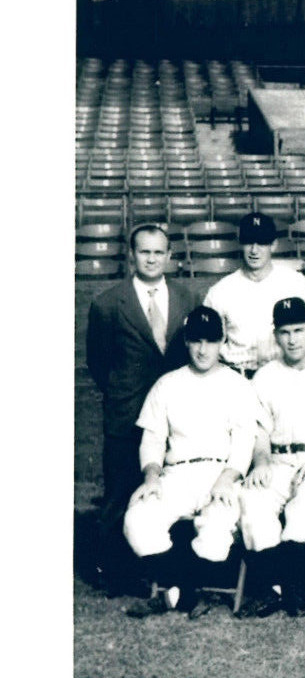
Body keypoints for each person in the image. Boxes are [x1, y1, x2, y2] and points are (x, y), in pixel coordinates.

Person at [201, 296, 305, 618]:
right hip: (279, 461)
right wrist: (263, 460)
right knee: (253, 502)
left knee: (303, 509)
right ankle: (270, 590)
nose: (292, 339)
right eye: (284, 332)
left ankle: (297, 591)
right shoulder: (266, 376)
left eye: (298, 330)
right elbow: (260, 431)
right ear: (276, 334)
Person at [121, 306, 259, 618]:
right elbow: (153, 440)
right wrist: (151, 477)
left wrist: (227, 479)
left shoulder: (237, 385)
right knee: (138, 520)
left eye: (210, 341)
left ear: (222, 342)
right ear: (187, 341)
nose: (202, 349)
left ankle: (173, 592)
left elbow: (244, 442)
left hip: (220, 473)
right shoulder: (167, 384)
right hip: (176, 473)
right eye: (196, 340)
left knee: (215, 533)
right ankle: (186, 590)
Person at [85, 222, 199, 592]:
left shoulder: (188, 299)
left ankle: (163, 566)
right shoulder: (107, 304)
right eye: (144, 251)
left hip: (177, 413)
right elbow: (99, 362)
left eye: (158, 252)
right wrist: (123, 395)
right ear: (132, 255)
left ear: (169, 256)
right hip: (127, 414)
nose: (151, 258)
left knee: (166, 490)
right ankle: (115, 571)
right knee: (123, 490)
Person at [204, 212, 305, 376]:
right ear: (241, 244)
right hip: (238, 375)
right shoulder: (221, 291)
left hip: (283, 375)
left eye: (262, 243)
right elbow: (208, 341)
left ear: (273, 245)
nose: (254, 250)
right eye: (249, 242)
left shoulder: (296, 284)